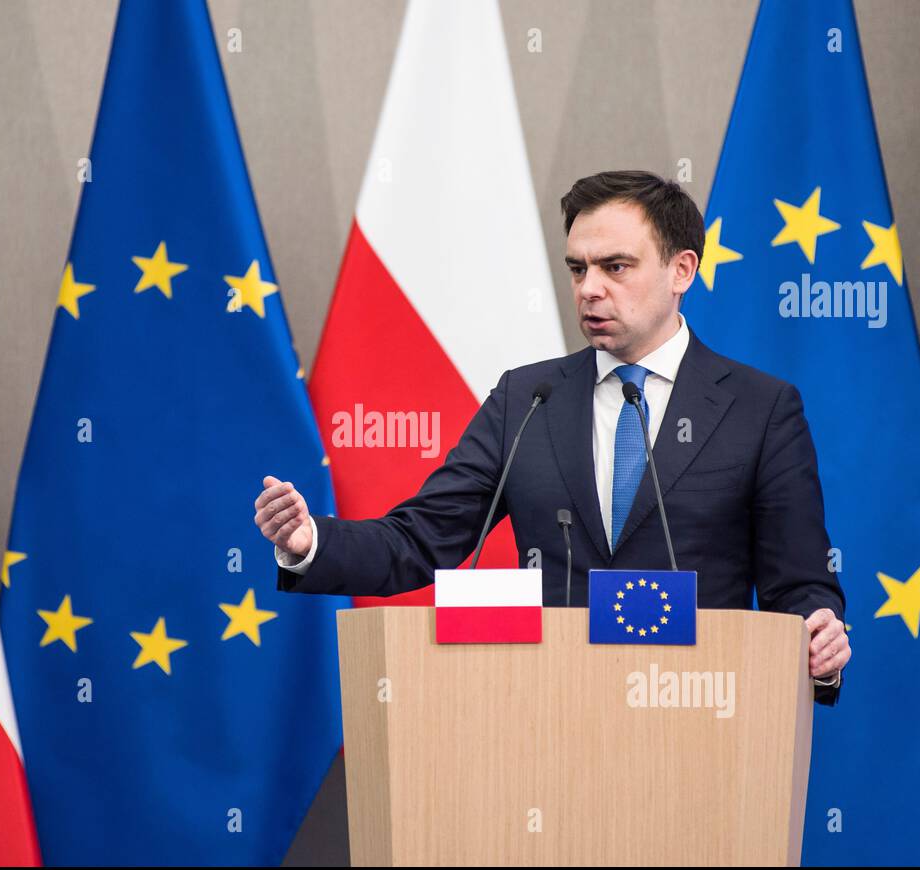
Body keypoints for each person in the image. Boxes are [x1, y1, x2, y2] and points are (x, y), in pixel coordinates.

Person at [254, 170, 850, 703]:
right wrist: (312, 542)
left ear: (681, 271)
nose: (589, 288)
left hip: (699, 715)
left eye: (615, 267)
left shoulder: (760, 409)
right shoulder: (527, 399)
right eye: (577, 268)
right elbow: (424, 538)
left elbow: (798, 585)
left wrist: (819, 639)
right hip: (544, 725)